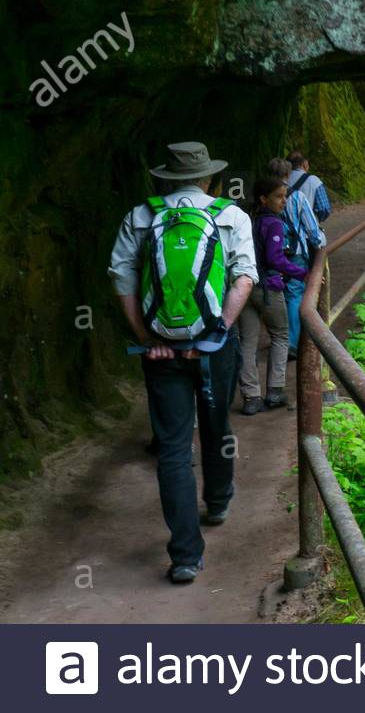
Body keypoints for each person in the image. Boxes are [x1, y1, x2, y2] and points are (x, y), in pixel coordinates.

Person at [108, 141, 256, 584]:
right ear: (209, 178)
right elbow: (244, 277)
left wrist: (147, 337)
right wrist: (218, 332)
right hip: (213, 347)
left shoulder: (140, 216)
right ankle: (220, 496)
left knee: (172, 449)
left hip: (160, 350)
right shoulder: (231, 216)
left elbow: (121, 277)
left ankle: (186, 556)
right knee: (216, 426)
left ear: (166, 178)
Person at [236, 176, 308, 415]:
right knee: (280, 334)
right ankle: (275, 391)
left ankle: (251, 397)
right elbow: (275, 259)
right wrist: (304, 273)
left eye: (285, 196)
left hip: (245, 285)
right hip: (267, 287)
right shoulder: (274, 223)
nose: (284, 201)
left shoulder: (251, 220)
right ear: (264, 199)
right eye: (279, 196)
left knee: (248, 342)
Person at [268, 157, 326, 355]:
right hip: (295, 253)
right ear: (287, 175)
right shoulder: (297, 197)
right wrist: (319, 245)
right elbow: (312, 228)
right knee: (294, 294)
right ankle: (291, 342)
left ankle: (279, 337)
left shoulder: (264, 198)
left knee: (279, 294)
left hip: (272, 253)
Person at [287, 150, 331, 223]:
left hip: (285, 228)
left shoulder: (282, 180)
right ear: (304, 164)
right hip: (308, 228)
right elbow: (324, 209)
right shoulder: (314, 180)